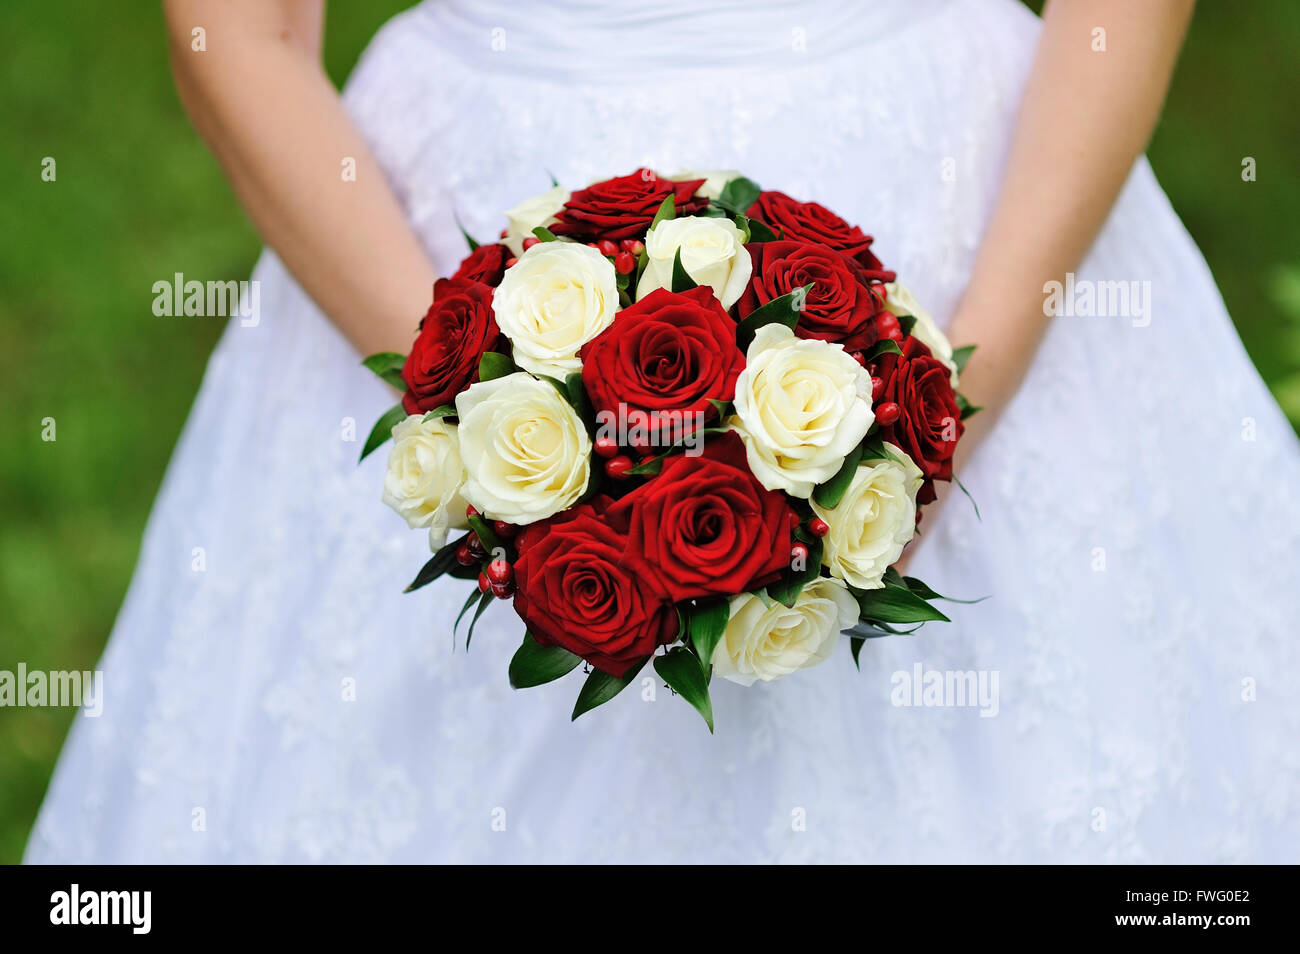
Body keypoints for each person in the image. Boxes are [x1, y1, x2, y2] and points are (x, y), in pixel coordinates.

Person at [27, 0, 1300, 863]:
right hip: (453, 207)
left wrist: (953, 385)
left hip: (973, 197)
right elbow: (237, 30)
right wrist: (476, 385)